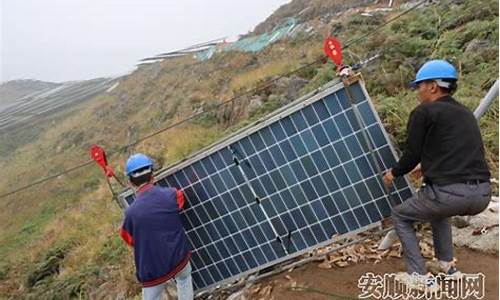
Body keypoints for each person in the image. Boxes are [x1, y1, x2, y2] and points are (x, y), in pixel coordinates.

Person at [382, 59, 491, 292]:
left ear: (433, 86)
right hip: (482, 194)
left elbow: (411, 154)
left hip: (449, 194)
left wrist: (393, 173)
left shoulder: (424, 112)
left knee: (400, 215)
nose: (417, 92)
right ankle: (448, 266)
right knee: (438, 212)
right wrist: (427, 165)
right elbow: (457, 150)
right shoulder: (464, 113)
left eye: (419, 86)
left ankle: (418, 276)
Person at [120, 153, 193, 300]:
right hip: (178, 258)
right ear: (152, 174)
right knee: (184, 280)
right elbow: (180, 202)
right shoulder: (172, 194)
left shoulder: (130, 213)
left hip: (152, 270)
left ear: (130, 182)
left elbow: (128, 239)